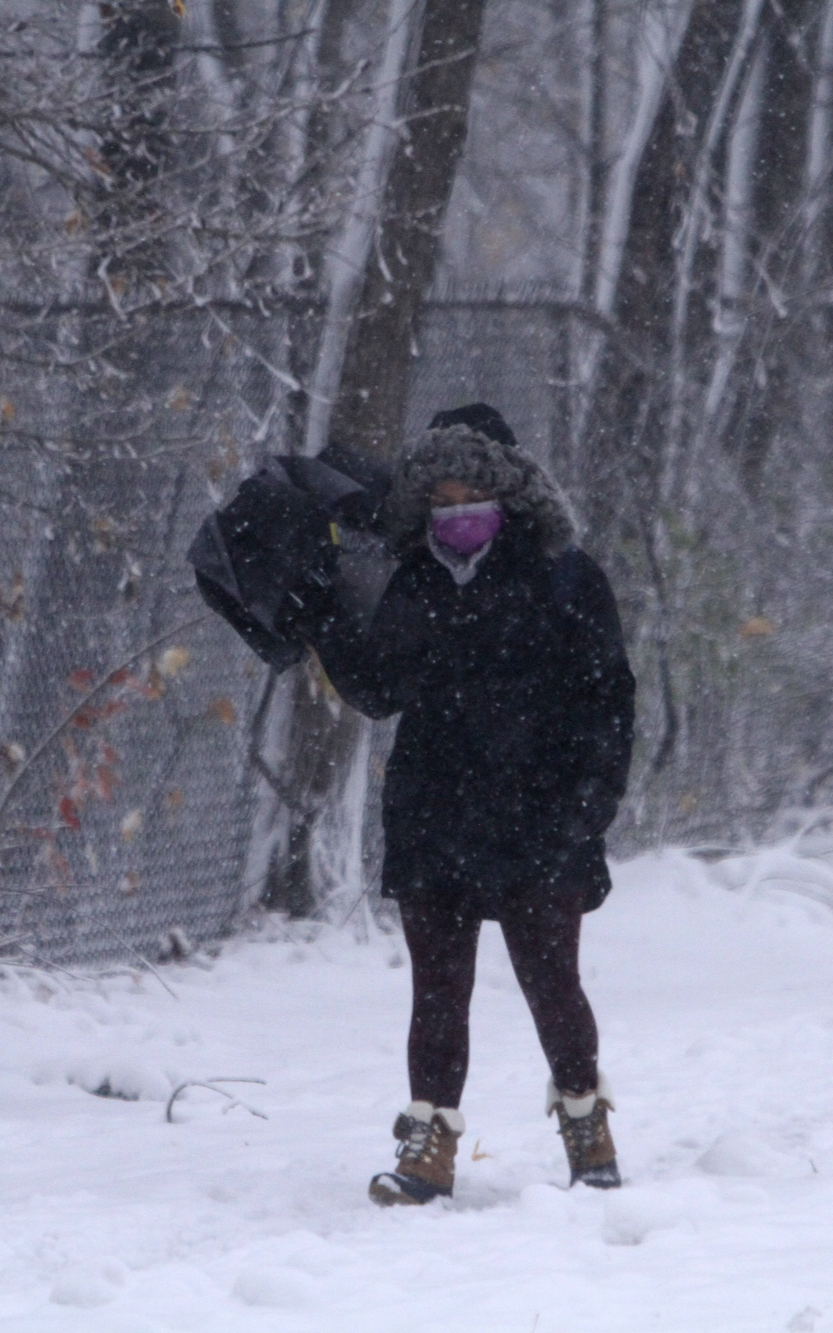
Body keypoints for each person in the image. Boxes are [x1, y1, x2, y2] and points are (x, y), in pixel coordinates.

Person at [298, 403, 637, 1206]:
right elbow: (381, 690)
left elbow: (608, 699)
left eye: (470, 494)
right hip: (435, 813)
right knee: (437, 990)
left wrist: (589, 803)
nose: (456, 513)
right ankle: (429, 1145)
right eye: (440, 499)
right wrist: (322, 617)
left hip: (540, 816)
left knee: (550, 980)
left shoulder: (565, 577)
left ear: (509, 494)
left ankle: (585, 1122)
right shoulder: (412, 580)